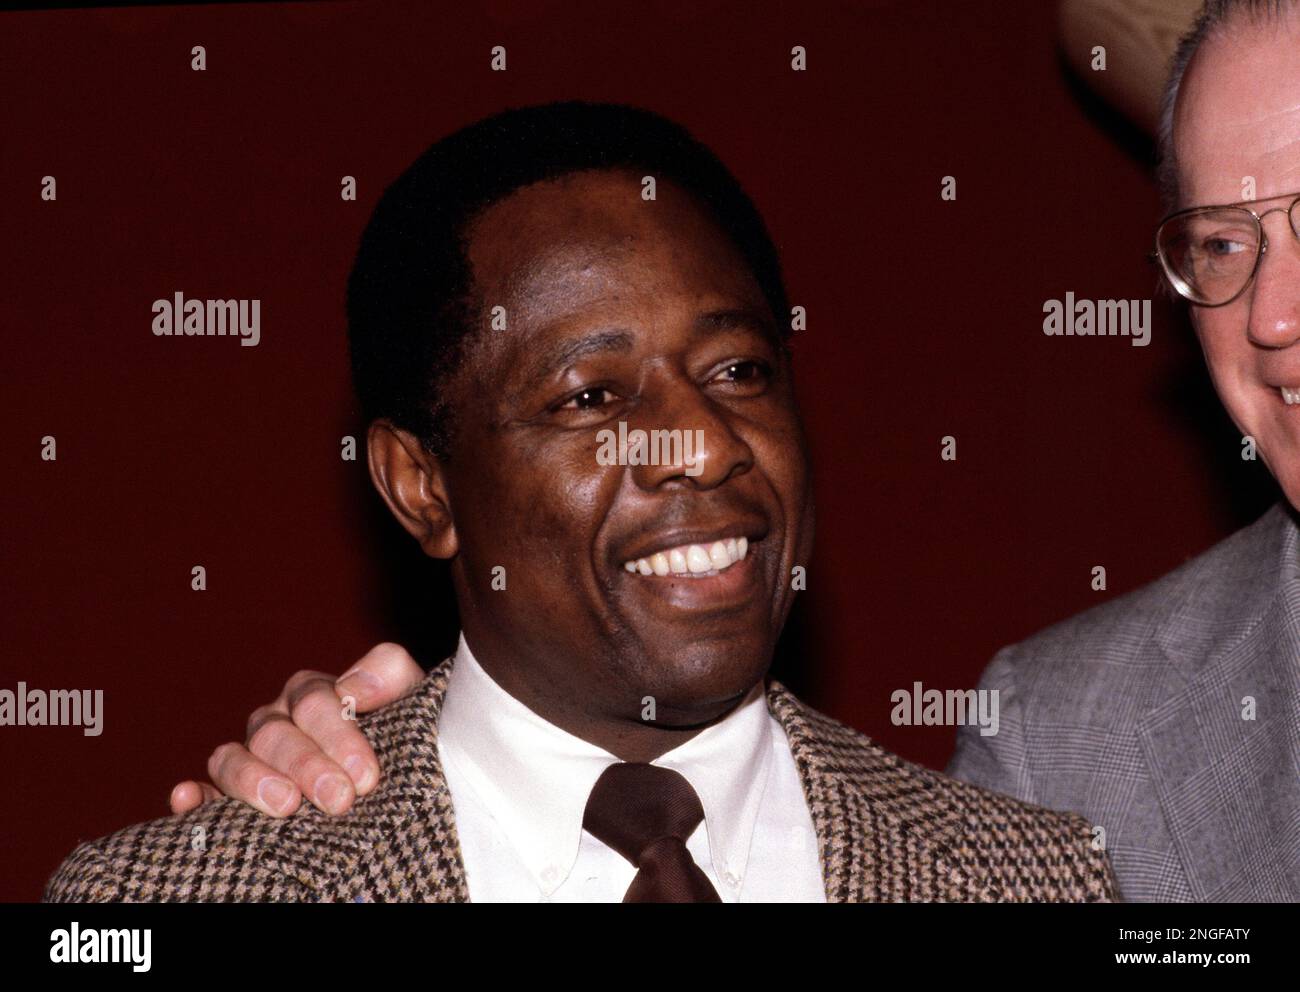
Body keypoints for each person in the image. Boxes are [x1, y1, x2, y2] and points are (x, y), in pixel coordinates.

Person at [43, 101, 1114, 903]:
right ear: (421, 485)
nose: (700, 442)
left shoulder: (1032, 876)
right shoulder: (158, 902)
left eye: (739, 370)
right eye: (591, 395)